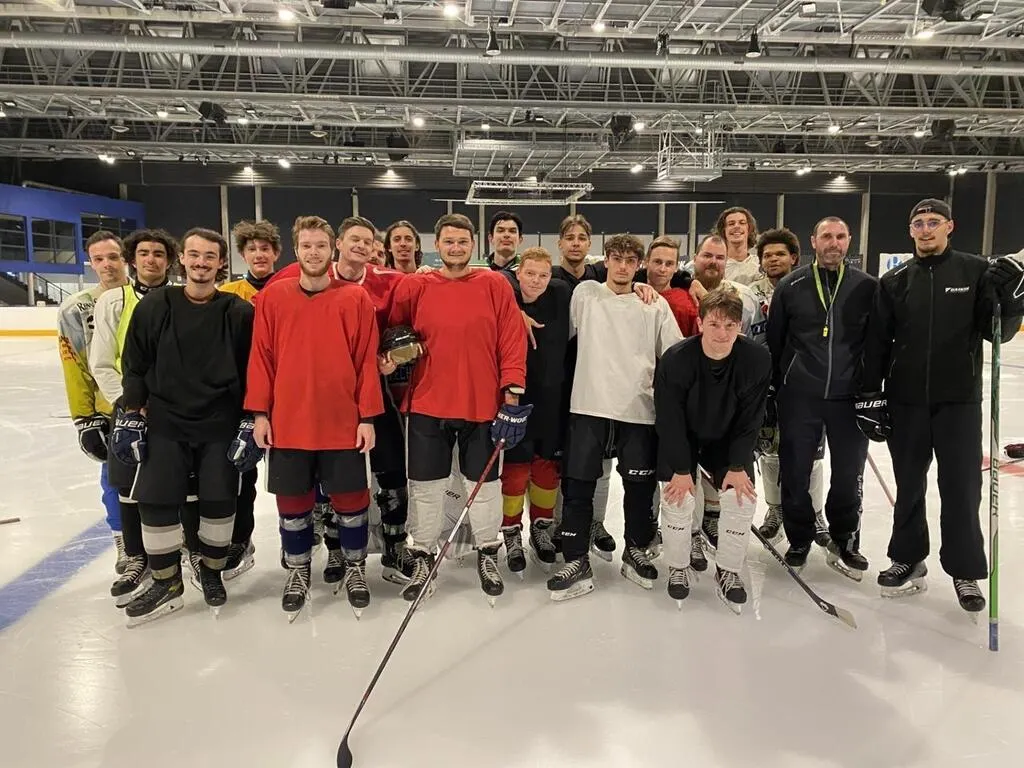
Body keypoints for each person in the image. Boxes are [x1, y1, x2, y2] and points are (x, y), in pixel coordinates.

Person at [861, 198, 1024, 612]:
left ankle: (965, 570)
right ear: (911, 231)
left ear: (949, 226)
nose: (926, 229)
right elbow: (877, 343)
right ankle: (908, 558)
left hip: (958, 402)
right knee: (909, 486)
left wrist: (1012, 300)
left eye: (934, 222)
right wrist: (870, 394)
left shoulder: (975, 271)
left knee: (961, 489)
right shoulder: (895, 280)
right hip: (906, 401)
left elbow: (998, 332)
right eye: (919, 223)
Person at [245, 216, 383, 620]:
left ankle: (355, 567)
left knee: (352, 501)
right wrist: (260, 413)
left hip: (342, 422)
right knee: (293, 503)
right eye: (306, 246)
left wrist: (367, 417)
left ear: (333, 247)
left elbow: (365, 363)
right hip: (288, 422)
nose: (314, 252)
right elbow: (262, 359)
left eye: (321, 245)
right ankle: (299, 568)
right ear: (296, 249)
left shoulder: (356, 300)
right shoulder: (274, 297)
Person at [114, 228, 254, 626]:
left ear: (221, 262)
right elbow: (135, 365)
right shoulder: (156, 305)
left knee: (219, 501)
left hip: (219, 423)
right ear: (183, 259)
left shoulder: (239, 312)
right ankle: (166, 581)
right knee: (156, 501)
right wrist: (130, 411)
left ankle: (211, 572)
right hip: (165, 422)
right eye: (194, 254)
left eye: (210, 256)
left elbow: (254, 373)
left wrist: (250, 418)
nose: (201, 262)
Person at [387, 213, 527, 605]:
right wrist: (395, 354)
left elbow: (511, 339)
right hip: (427, 403)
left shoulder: (495, 284)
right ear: (437, 243)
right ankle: (422, 555)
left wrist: (511, 395)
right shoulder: (415, 285)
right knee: (426, 489)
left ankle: (487, 552)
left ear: (473, 244)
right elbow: (395, 332)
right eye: (448, 241)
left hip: (482, 404)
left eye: (462, 242)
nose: (455, 248)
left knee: (484, 488)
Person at [268, 216, 414, 588]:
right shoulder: (292, 276)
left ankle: (395, 544)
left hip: (372, 390)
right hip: (321, 395)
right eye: (354, 239)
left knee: (391, 468)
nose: (361, 246)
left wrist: (394, 357)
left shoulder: (389, 281)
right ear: (340, 244)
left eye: (368, 241)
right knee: (330, 475)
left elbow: (421, 320)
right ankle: (335, 546)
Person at [547, 233, 682, 601]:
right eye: (616, 258)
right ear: (606, 259)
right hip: (588, 405)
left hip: (639, 409)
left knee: (639, 487)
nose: (623, 266)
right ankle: (576, 558)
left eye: (630, 260)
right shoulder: (585, 294)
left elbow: (674, 357)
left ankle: (636, 549)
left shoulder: (654, 305)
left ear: (638, 265)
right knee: (578, 486)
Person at [766, 216, 876, 580]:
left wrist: (873, 392)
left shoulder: (866, 287)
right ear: (813, 241)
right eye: (826, 236)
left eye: (841, 236)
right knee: (795, 471)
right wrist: (786, 381)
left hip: (848, 397)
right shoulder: (791, 285)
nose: (834, 242)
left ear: (849, 241)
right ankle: (799, 538)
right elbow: (777, 338)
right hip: (801, 396)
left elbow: (876, 343)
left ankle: (845, 538)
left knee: (848, 474)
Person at [655, 288, 771, 612]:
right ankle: (678, 565)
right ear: (700, 322)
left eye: (730, 326)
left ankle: (729, 569)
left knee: (740, 497)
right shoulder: (677, 359)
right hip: (684, 435)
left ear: (741, 327)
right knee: (678, 497)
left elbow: (751, 418)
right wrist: (680, 469)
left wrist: (737, 466)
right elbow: (670, 419)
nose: (722, 334)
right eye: (715, 324)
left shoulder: (756, 360)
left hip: (728, 437)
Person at [90, 228, 176, 607]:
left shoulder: (179, 298)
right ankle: (136, 557)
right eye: (144, 253)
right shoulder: (114, 301)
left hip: (172, 409)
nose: (151, 260)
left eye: (159, 253)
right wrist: (129, 406)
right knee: (126, 485)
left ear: (169, 260)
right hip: (129, 409)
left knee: (172, 485)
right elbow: (102, 363)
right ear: (133, 259)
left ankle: (172, 557)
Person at [688, 234, 768, 563]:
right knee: (681, 470)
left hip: (728, 392)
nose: (713, 262)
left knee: (725, 461)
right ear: (695, 257)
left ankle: (711, 519)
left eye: (719, 258)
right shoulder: (681, 286)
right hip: (685, 389)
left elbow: (753, 342)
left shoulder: (745, 296)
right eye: (707, 255)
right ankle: (686, 531)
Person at [748, 228, 827, 546]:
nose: (773, 259)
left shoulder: (813, 289)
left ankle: (815, 513)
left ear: (794, 257)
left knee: (813, 453)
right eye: (767, 255)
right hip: (766, 386)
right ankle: (776, 510)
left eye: (780, 254)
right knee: (770, 451)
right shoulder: (751, 293)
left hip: (806, 385)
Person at [216, 219, 284, 580]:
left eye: (265, 248)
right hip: (239, 397)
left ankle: (309, 533)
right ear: (242, 254)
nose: (259, 254)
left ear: (275, 252)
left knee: (296, 472)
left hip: (286, 395)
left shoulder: (290, 285)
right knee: (241, 472)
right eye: (252, 249)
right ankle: (240, 539)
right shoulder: (227, 293)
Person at [57, 230, 128, 572]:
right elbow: (75, 366)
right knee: (114, 480)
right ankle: (124, 543)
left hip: (157, 405)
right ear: (90, 262)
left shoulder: (145, 298)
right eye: (99, 259)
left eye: (113, 257)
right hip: (108, 409)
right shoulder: (77, 308)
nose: (107, 265)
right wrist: (84, 417)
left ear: (124, 258)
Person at [499, 247, 571, 575]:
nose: (536, 281)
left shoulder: (560, 292)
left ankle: (541, 528)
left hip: (552, 401)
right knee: (514, 471)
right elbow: (490, 278)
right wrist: (515, 310)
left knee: (546, 468)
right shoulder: (503, 293)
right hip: (515, 397)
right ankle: (511, 532)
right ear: (518, 273)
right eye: (530, 274)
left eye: (543, 274)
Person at [644, 236, 700, 336]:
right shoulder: (630, 294)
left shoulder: (688, 305)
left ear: (676, 267)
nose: (662, 269)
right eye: (657, 262)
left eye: (669, 264)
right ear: (646, 262)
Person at [716, 206, 761, 285]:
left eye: (742, 223)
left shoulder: (759, 264)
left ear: (749, 228)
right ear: (724, 230)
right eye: (731, 224)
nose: (736, 226)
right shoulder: (715, 264)